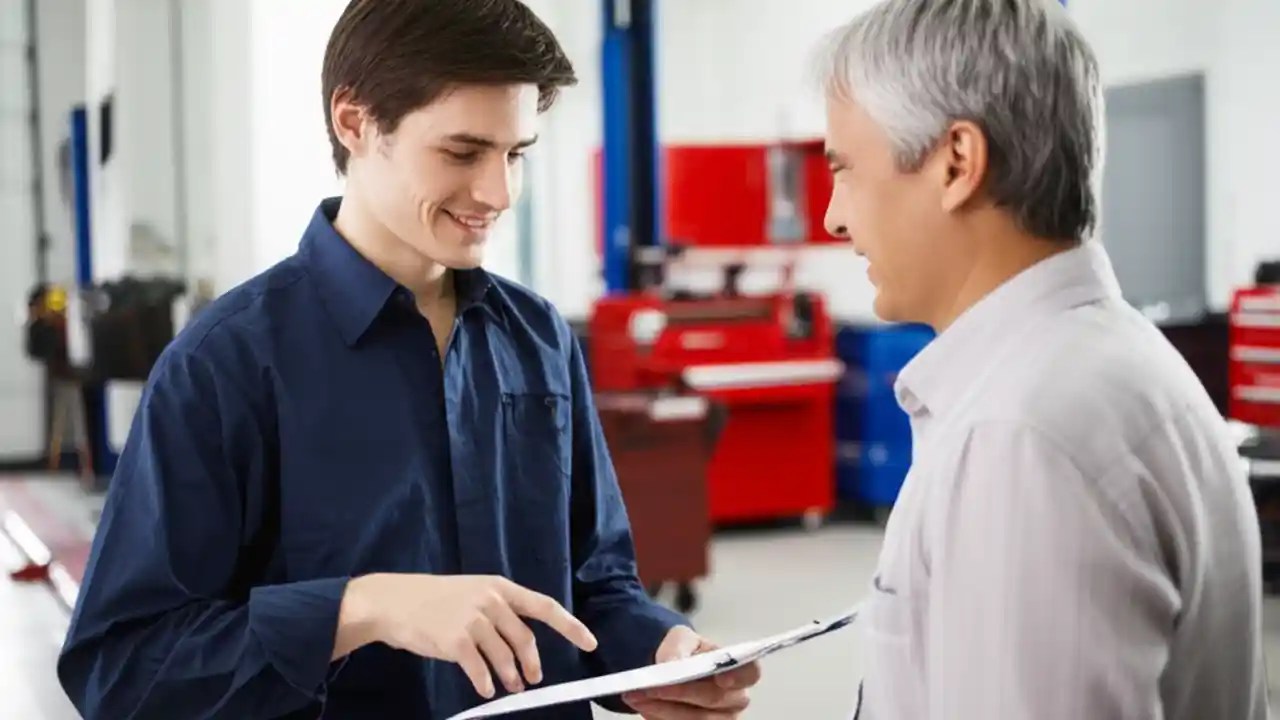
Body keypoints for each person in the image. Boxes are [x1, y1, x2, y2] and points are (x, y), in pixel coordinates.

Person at [56, 1, 759, 718]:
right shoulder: (225, 365)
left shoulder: (537, 339)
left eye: (515, 154)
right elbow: (123, 669)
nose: (499, 193)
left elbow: (595, 587)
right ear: (355, 123)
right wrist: (363, 608)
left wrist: (656, 652)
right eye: (462, 153)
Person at [815, 0, 1268, 718]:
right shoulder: (1113, 367)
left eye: (846, 169)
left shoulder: (1022, 436)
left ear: (956, 163)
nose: (834, 215)